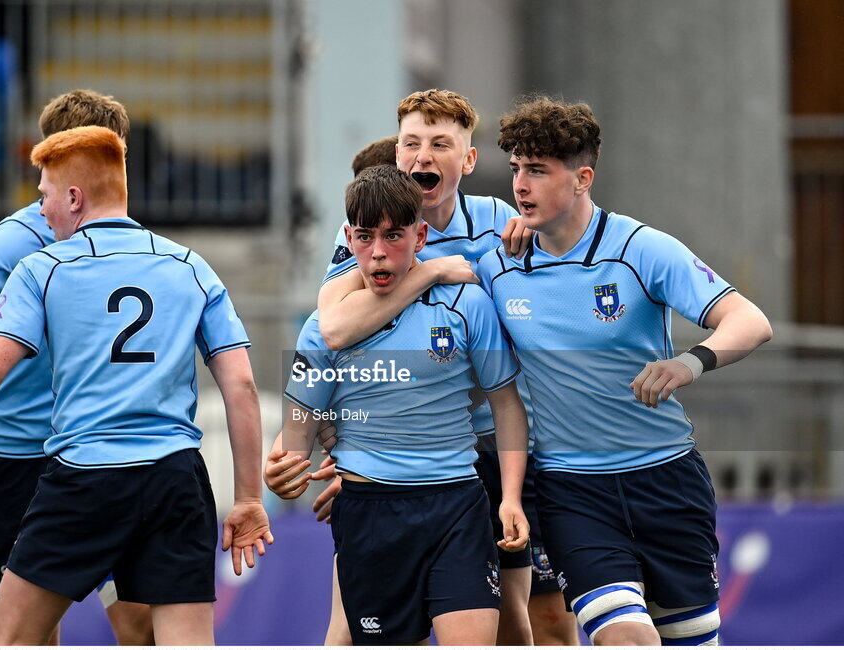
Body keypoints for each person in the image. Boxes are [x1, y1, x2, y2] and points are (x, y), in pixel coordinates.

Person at [0, 126, 273, 645]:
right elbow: (240, 384)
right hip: (176, 479)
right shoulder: (190, 266)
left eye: (44, 197)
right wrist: (247, 499)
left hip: (86, 477)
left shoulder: (42, 268)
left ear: (74, 197)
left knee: (11, 641)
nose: (41, 211)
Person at [477, 96, 773, 646]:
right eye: (517, 168)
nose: (520, 184)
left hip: (667, 482)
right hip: (571, 490)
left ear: (583, 177)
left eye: (538, 170)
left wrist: (690, 362)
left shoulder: (641, 248)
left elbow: (750, 320)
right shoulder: (497, 265)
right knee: (626, 639)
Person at [311, 89, 572, 644]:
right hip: (407, 455)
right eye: (411, 143)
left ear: (468, 161)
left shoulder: (504, 220)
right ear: (397, 154)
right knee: (351, 623)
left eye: (439, 144)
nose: (422, 156)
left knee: (529, 617)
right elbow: (334, 326)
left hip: (496, 444)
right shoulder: (368, 231)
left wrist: (538, 242)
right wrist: (430, 273)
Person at [0, 89, 154, 645]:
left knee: (138, 621)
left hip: (93, 458)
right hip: (15, 462)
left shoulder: (124, 238)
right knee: (34, 633)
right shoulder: (20, 235)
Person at [273, 164, 529, 645]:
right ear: (348, 238)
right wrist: (283, 468)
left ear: (421, 234)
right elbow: (297, 428)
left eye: (394, 235)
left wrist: (511, 497)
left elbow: (507, 405)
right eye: (366, 236)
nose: (379, 252)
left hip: (456, 504)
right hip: (370, 513)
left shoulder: (465, 305)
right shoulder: (323, 329)